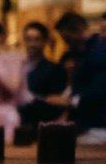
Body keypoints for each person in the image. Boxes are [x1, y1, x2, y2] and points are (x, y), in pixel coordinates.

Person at [56, 11, 106, 140]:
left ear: (79, 30)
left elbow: (99, 88)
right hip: (80, 122)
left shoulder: (99, 51)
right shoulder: (69, 56)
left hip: (97, 123)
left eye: (67, 39)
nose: (67, 44)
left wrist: (72, 100)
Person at [20, 19, 68, 130]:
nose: (32, 44)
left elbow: (59, 102)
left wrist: (33, 98)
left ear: (45, 41)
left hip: (40, 126)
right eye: (28, 39)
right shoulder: (17, 66)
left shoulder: (54, 69)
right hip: (18, 125)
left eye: (37, 39)